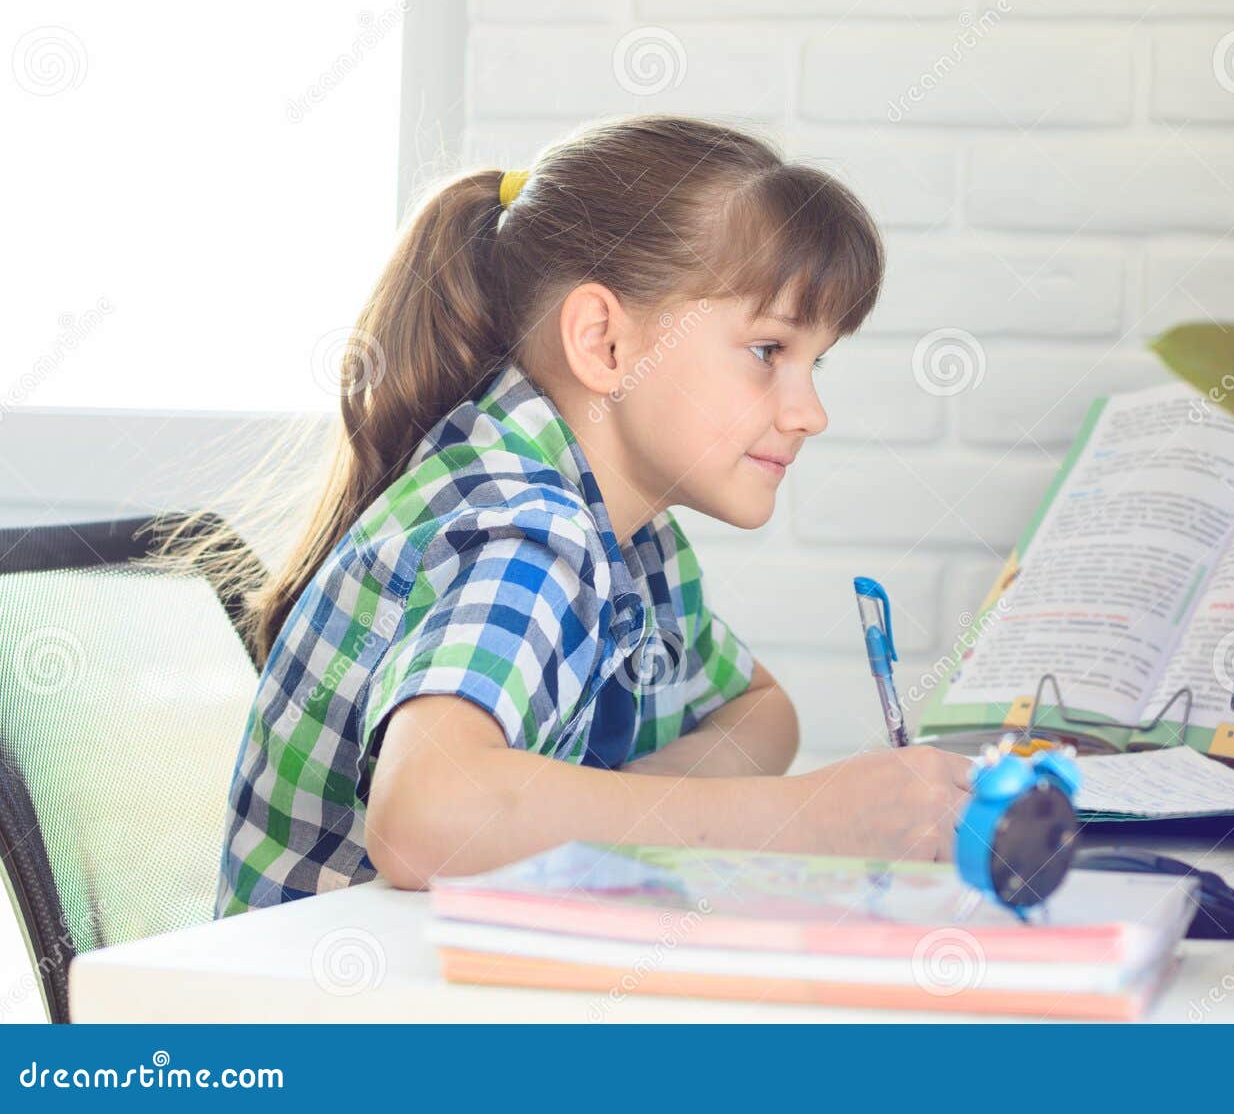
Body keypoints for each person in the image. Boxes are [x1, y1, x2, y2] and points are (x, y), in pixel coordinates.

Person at [193, 115, 971, 916]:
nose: (810, 412)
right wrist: (800, 821)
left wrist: (619, 814)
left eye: (817, 362)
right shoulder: (526, 528)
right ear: (603, 343)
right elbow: (426, 817)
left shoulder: (635, 544)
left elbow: (761, 713)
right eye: (770, 351)